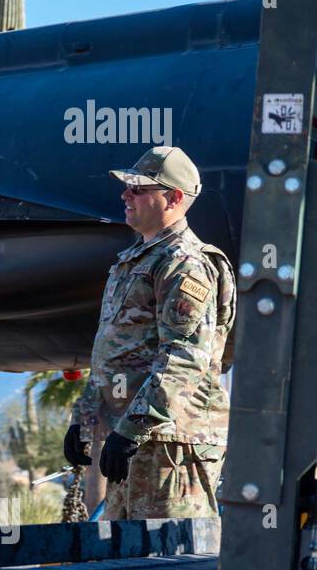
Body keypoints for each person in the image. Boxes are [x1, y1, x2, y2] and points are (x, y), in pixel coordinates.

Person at [65, 146, 236, 520]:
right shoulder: (132, 262)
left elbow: (184, 358)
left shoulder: (185, 263)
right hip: (132, 440)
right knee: (122, 551)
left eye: (139, 188)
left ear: (173, 198)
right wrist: (85, 419)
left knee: (167, 551)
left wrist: (132, 429)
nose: (125, 195)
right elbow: (114, 352)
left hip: (172, 446)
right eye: (127, 186)